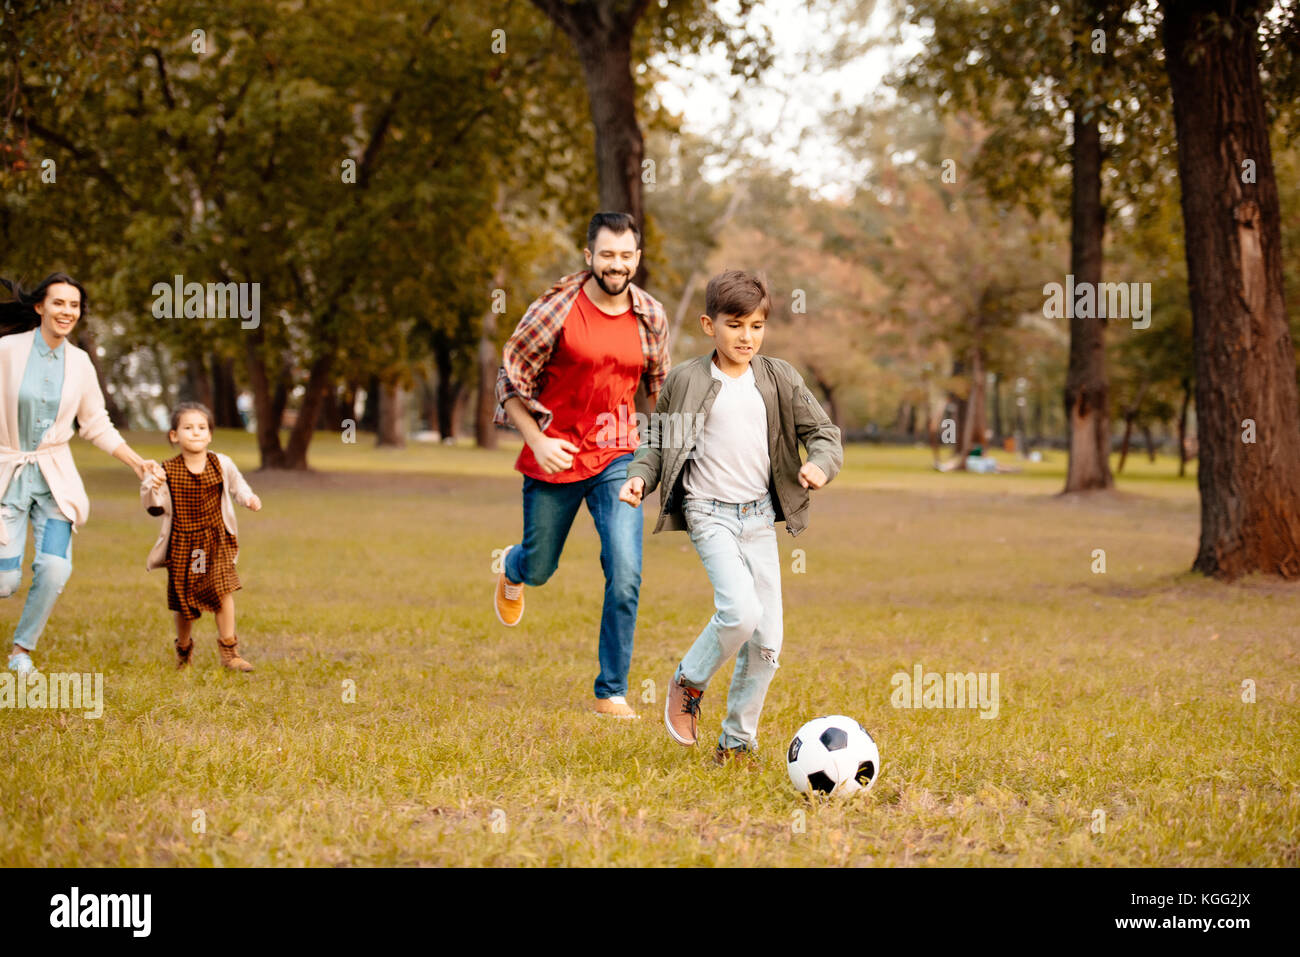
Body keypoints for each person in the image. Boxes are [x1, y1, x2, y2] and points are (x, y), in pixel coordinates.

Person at [619, 269, 843, 763]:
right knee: (740, 613)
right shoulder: (686, 379)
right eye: (735, 324)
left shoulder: (780, 377)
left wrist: (819, 466)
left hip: (759, 516)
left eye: (757, 326)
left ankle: (736, 743)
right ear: (708, 324)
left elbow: (824, 433)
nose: (746, 337)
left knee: (767, 642)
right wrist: (640, 477)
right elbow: (656, 442)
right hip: (707, 512)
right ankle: (689, 680)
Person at [492, 212, 670, 718]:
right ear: (589, 256)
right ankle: (513, 566)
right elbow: (508, 384)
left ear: (637, 258)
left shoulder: (650, 316)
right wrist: (537, 439)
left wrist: (659, 457)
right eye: (607, 255)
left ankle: (611, 690)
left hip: (618, 454)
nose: (617, 265)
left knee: (626, 569)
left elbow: (660, 391)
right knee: (541, 567)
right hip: (555, 452)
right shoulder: (554, 311)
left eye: (627, 255)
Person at [0, 273, 165, 674]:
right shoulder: (6, 350)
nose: (67, 312)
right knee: (4, 582)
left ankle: (21, 651)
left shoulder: (80, 363)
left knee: (56, 568)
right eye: (59, 303)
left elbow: (95, 423)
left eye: (74, 306)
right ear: (40, 307)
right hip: (7, 472)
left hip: (54, 479)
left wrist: (137, 461)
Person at [141, 402, 262, 671]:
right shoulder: (166, 470)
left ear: (209, 435)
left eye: (201, 428)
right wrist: (152, 484)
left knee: (222, 591)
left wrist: (248, 498)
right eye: (187, 428)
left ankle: (230, 653)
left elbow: (237, 485)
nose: (195, 433)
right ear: (174, 435)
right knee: (185, 600)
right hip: (184, 544)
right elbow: (152, 505)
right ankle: (183, 650)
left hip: (216, 540)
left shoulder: (221, 463)